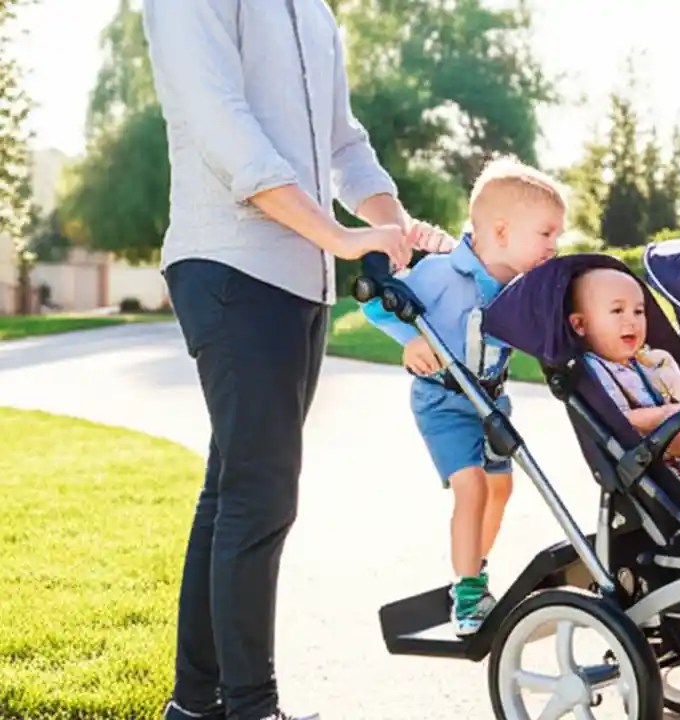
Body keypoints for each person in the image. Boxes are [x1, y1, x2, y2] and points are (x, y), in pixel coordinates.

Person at [141, 2, 451, 718]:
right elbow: (223, 125)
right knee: (258, 498)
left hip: (299, 278)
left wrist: (391, 228)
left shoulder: (310, 9)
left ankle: (196, 706)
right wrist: (337, 236)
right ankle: (250, 707)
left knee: (233, 494)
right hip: (231, 265)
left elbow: (343, 145)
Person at [362, 156, 564, 635]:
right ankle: (470, 594)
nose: (555, 246)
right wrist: (409, 340)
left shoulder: (524, 286)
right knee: (470, 487)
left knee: (501, 488)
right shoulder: (438, 274)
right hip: (442, 400)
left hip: (491, 400)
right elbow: (376, 300)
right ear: (500, 232)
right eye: (546, 234)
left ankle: (472, 562)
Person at [567, 267, 680, 462]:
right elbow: (619, 420)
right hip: (653, 444)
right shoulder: (594, 368)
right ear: (580, 325)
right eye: (617, 310)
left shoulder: (650, 361)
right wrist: (665, 412)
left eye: (639, 311)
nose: (632, 320)